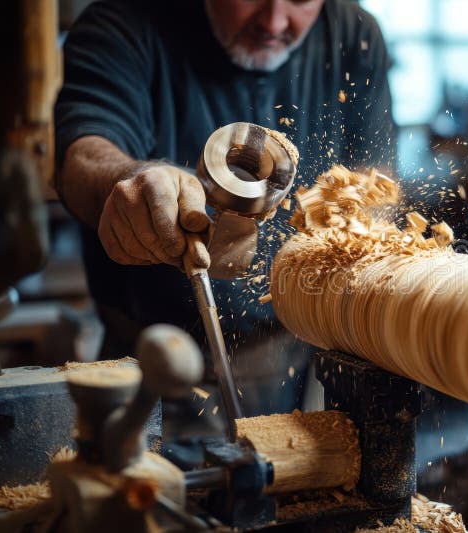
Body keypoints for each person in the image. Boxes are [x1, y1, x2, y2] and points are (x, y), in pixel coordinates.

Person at [55, 0, 395, 412]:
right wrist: (134, 183)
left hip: (288, 355)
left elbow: (374, 187)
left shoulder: (353, 34)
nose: (274, 22)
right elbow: (84, 156)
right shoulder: (121, 23)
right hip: (146, 358)